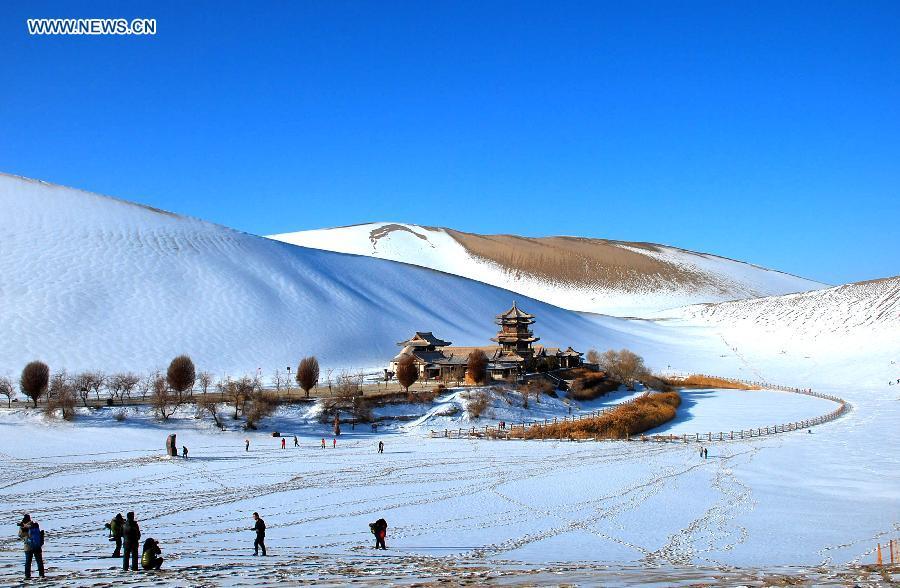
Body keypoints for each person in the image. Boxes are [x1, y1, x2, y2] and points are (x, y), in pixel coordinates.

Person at [19, 514, 45, 580]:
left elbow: (20, 535)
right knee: (39, 561)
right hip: (37, 546)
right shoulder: (35, 525)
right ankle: (41, 575)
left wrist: (23, 528)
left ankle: (27, 576)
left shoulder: (24, 526)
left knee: (28, 562)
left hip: (28, 547)